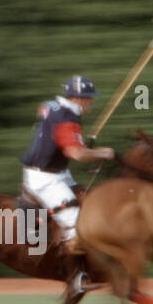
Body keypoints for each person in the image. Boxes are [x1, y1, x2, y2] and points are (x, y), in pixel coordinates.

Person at [20, 76, 114, 256]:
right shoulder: (66, 118)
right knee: (79, 226)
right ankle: (75, 280)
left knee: (89, 204)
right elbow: (76, 154)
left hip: (59, 172)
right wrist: (103, 153)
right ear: (76, 98)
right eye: (89, 98)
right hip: (45, 178)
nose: (91, 102)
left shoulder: (53, 105)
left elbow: (43, 108)